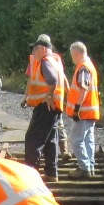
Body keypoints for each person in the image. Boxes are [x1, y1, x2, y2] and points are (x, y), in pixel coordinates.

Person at [23, 35, 65, 180]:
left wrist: (48, 96)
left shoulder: (45, 61)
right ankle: (51, 173)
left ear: (42, 49)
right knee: (50, 140)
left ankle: (31, 174)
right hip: (54, 107)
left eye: (34, 49)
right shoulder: (55, 60)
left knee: (32, 139)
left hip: (45, 106)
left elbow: (52, 80)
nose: (33, 53)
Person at [64, 42, 100, 178]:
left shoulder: (83, 67)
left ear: (76, 53)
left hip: (83, 112)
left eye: (72, 55)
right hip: (90, 111)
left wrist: (77, 108)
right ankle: (90, 167)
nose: (72, 58)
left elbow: (83, 88)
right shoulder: (90, 66)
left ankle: (84, 168)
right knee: (88, 140)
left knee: (76, 140)